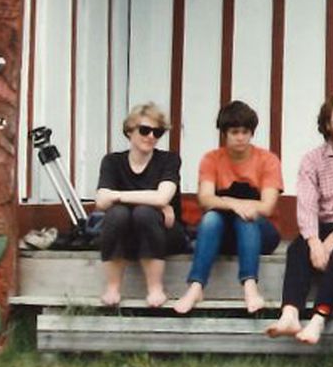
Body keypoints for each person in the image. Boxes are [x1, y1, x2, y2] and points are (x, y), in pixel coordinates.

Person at [267, 92, 333, 343]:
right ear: (327, 125)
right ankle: (290, 314)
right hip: (323, 225)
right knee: (297, 249)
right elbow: (306, 205)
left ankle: (318, 318)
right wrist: (314, 242)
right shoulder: (312, 160)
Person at [174, 101, 282, 316]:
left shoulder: (267, 160)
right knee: (211, 218)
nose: (240, 137)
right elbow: (205, 199)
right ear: (224, 133)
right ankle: (196, 286)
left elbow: (267, 206)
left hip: (261, 234)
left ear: (252, 133)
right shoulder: (211, 159)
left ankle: (250, 286)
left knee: (246, 217)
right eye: (234, 132)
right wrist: (234, 204)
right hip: (222, 235)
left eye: (245, 132)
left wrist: (232, 204)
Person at [94, 102, 185, 308]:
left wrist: (117, 195)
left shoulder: (169, 160)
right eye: (144, 130)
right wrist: (152, 200)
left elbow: (162, 198)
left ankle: (155, 289)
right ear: (129, 131)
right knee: (117, 215)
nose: (151, 136)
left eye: (157, 132)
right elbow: (101, 201)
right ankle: (112, 288)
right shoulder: (112, 161)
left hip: (165, 233)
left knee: (144, 213)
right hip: (125, 233)